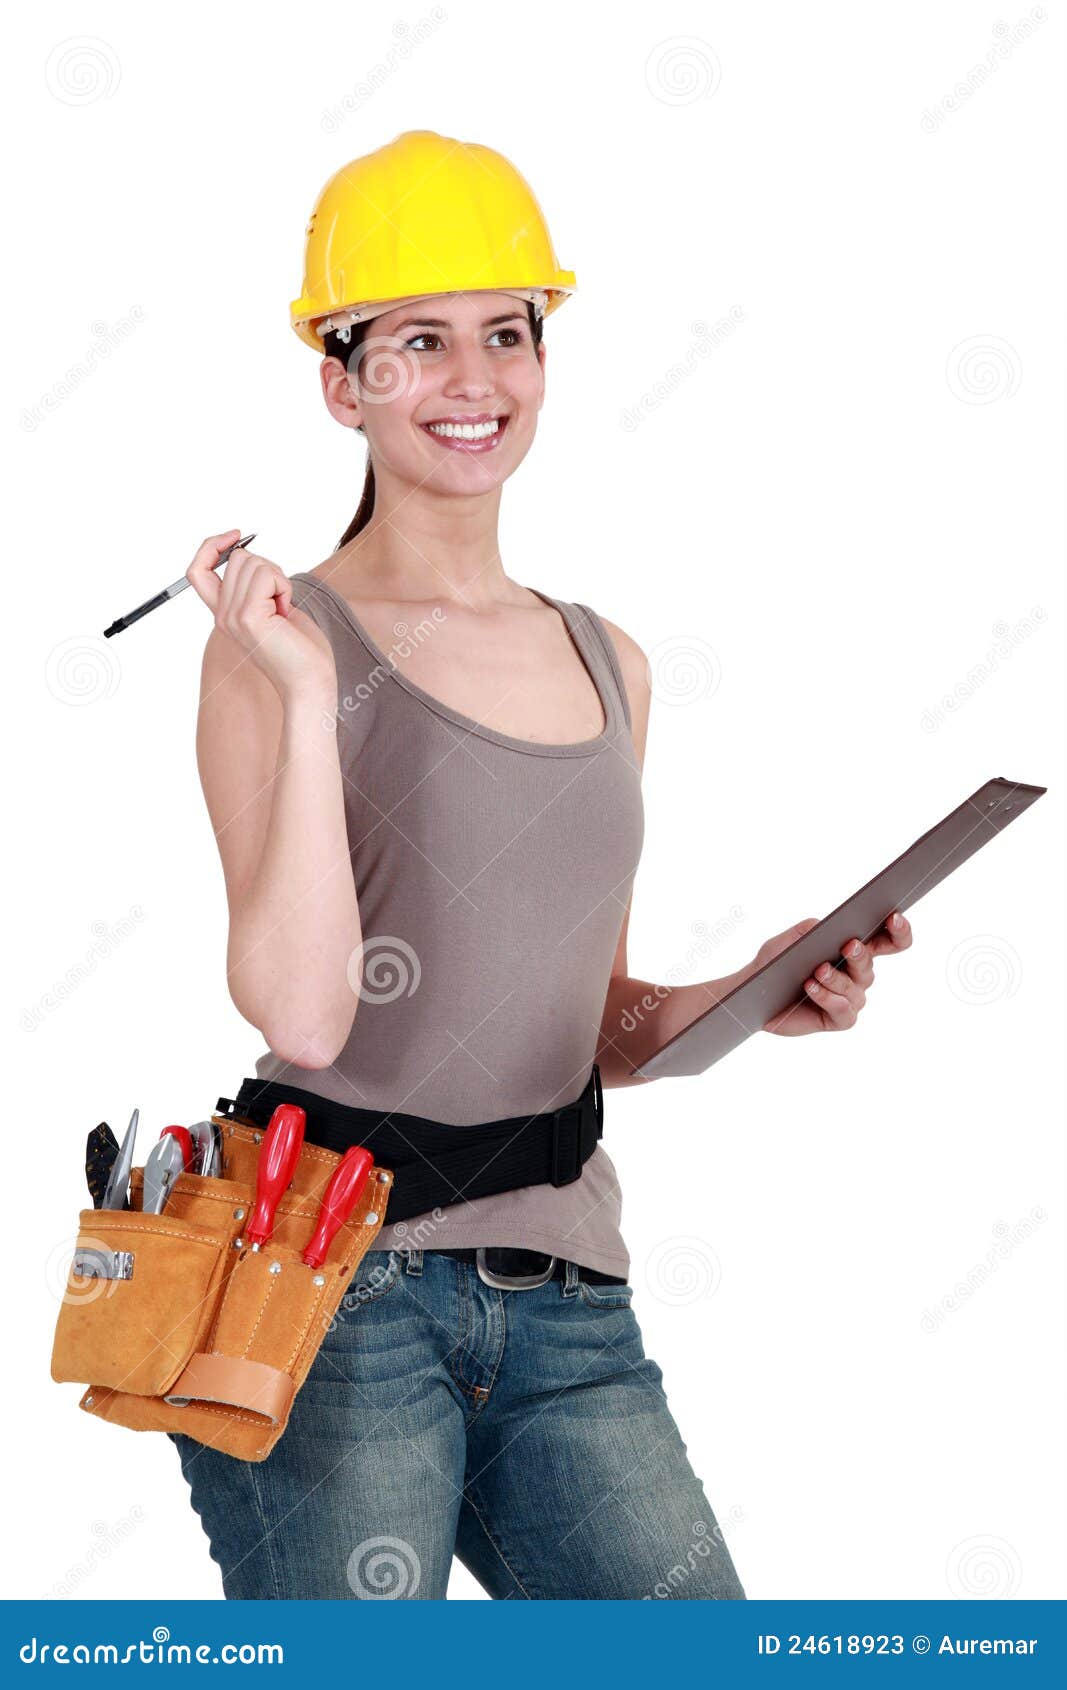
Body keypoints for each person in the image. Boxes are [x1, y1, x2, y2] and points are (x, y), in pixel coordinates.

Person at [169, 130, 913, 1600]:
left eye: (506, 333)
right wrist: (310, 696)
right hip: (330, 1294)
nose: (475, 379)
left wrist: (755, 992)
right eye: (419, 341)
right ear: (342, 384)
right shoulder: (276, 650)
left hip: (568, 1297)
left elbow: (592, 1025)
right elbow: (303, 1013)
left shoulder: (608, 660)